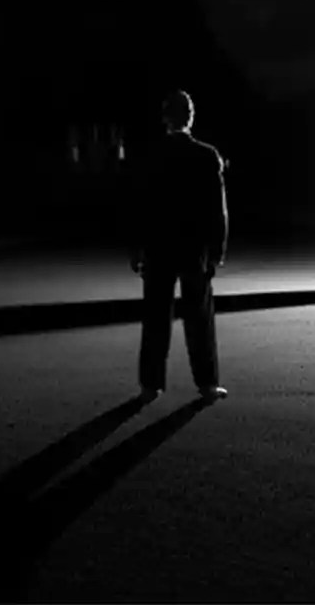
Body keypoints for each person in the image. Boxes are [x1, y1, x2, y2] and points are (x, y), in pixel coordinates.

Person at [128, 89, 229, 402]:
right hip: (194, 246)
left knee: (156, 316)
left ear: (165, 118)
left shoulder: (150, 155)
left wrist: (136, 247)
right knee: (199, 316)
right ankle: (207, 383)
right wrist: (217, 250)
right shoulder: (207, 156)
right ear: (191, 117)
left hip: (159, 245)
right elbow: (218, 209)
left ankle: (150, 384)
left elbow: (139, 207)